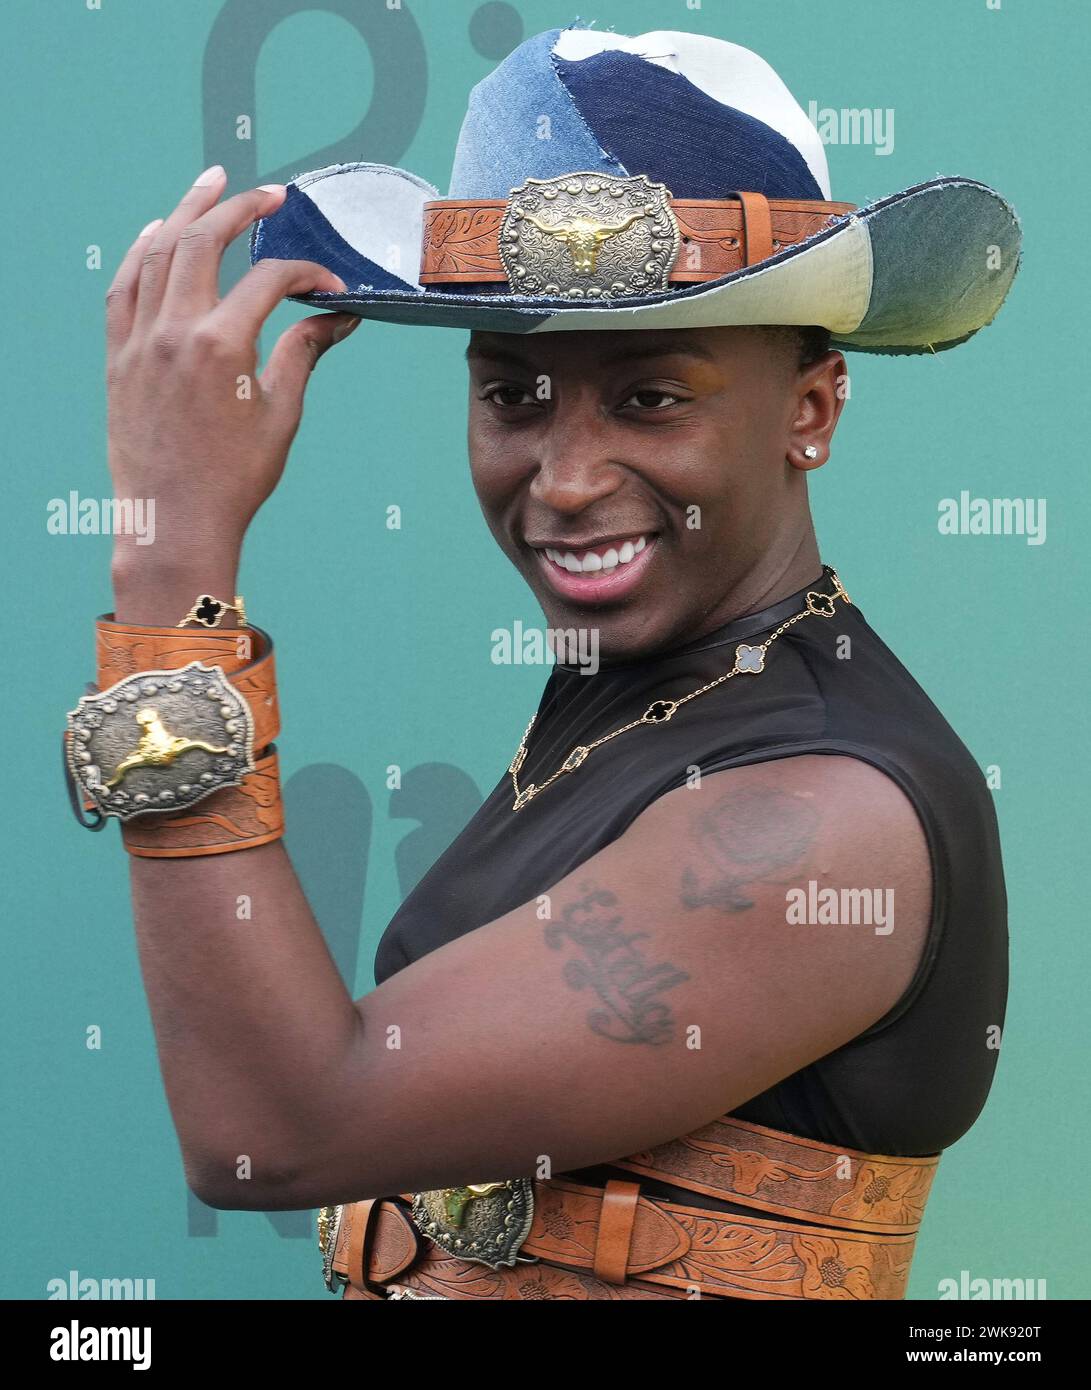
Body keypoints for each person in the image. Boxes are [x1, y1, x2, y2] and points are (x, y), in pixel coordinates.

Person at [67, 26, 1017, 1300]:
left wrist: (171, 562)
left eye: (650, 398)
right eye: (513, 395)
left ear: (810, 407)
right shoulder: (640, 699)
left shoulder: (819, 820)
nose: (563, 481)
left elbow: (273, 1128)